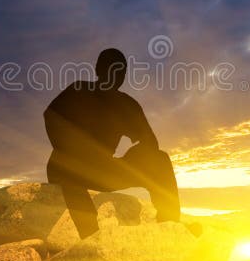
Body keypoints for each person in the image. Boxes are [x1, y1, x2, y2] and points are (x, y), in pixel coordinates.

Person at [44, 47, 182, 238]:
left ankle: (171, 226)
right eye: (109, 69)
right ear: (98, 70)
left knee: (160, 159)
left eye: (120, 71)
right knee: (67, 168)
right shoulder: (78, 91)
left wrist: (135, 156)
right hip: (70, 166)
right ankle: (90, 236)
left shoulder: (127, 106)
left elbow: (151, 144)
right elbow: (50, 117)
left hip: (103, 169)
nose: (114, 75)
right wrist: (73, 151)